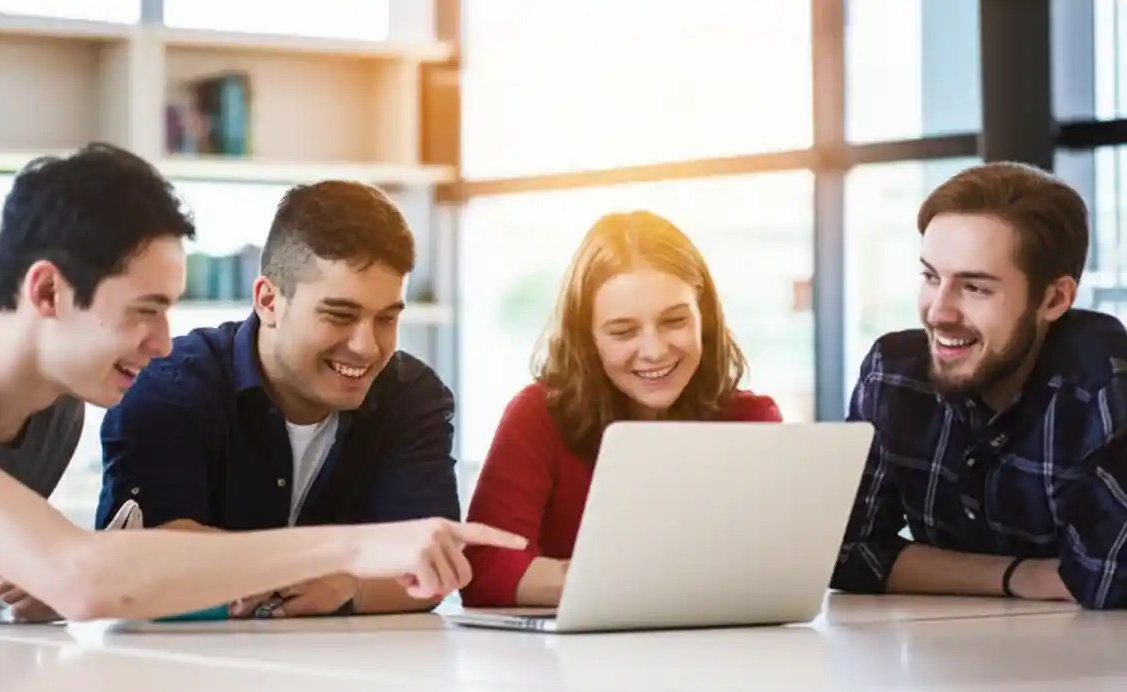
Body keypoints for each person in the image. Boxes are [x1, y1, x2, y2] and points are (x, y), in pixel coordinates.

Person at [0, 144, 522, 623]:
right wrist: (355, 546)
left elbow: (29, 584)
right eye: (145, 310)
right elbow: (83, 576)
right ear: (48, 290)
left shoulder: (55, 413)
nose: (164, 342)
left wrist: (35, 594)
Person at [97, 180, 463, 619]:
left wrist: (349, 586)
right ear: (269, 301)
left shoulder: (413, 397)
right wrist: (327, 565)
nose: (366, 347)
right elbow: (150, 554)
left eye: (386, 319)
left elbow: (428, 569)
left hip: (350, 668)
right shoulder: (170, 383)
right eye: (339, 316)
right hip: (181, 668)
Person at [831, 161, 1127, 609]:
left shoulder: (1103, 385)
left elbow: (1107, 579)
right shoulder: (894, 374)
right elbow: (843, 553)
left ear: (1054, 299)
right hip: (942, 660)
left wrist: (923, 567)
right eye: (931, 277)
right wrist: (1020, 575)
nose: (938, 312)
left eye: (975, 288)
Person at [460, 211, 782, 608]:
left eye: (674, 321)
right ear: (587, 339)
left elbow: (774, 568)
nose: (654, 350)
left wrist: (581, 577)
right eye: (623, 332)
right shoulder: (538, 416)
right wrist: (661, 581)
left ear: (705, 319)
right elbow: (487, 568)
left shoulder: (750, 421)